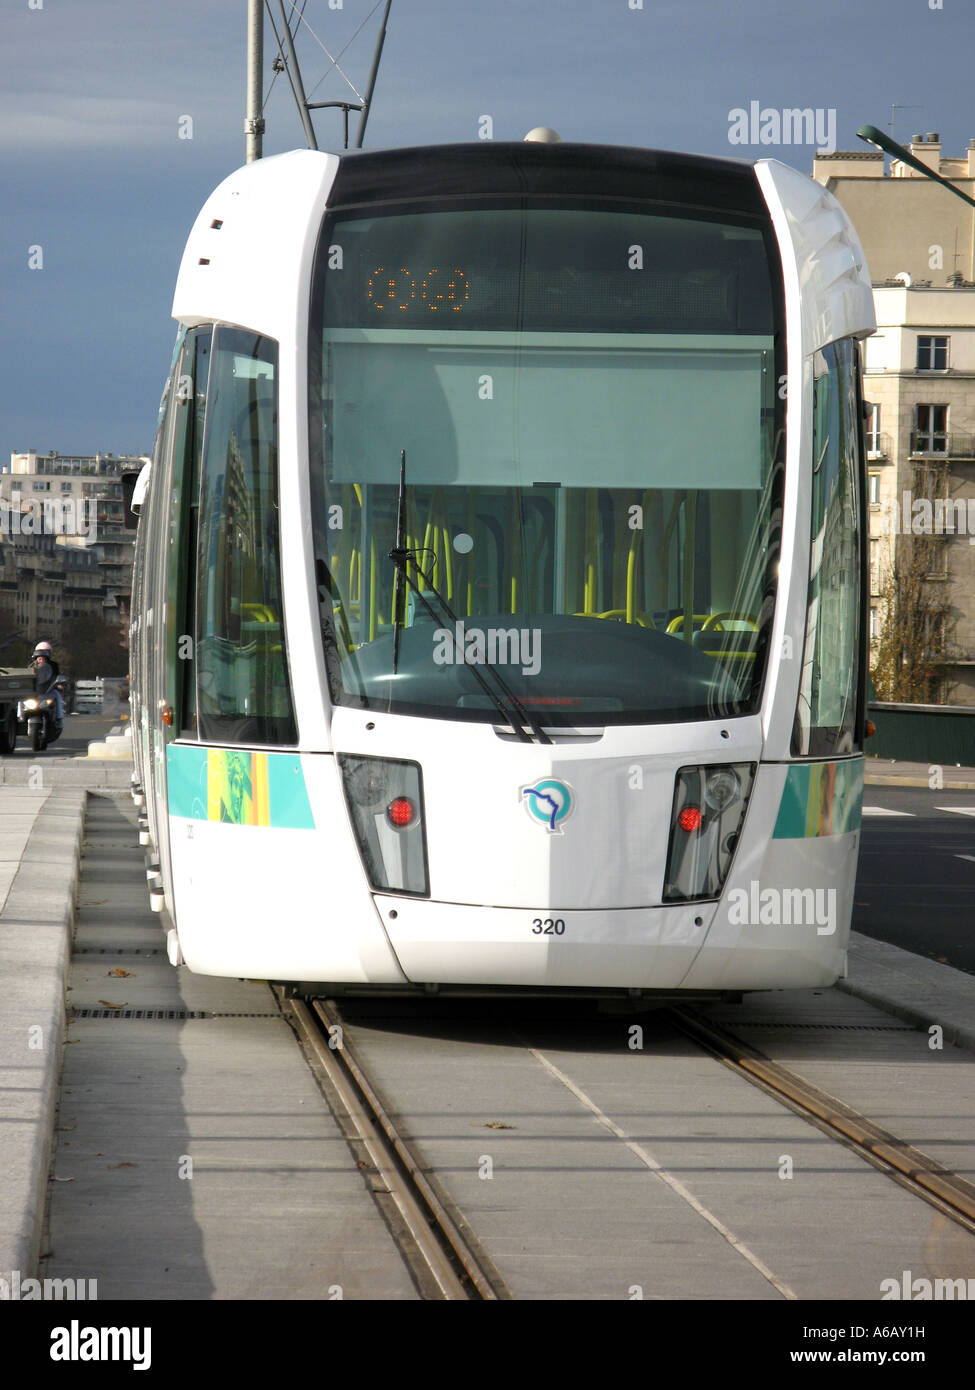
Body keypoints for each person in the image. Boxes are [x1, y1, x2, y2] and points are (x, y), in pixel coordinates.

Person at [31, 641, 64, 730]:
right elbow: (27, 677)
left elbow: (57, 676)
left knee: (58, 697)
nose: (41, 658)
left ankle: (59, 718)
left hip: (49, 689)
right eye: (39, 656)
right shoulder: (31, 665)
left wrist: (59, 684)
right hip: (35, 690)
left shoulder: (54, 665)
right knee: (22, 699)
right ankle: (19, 715)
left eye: (45, 652)